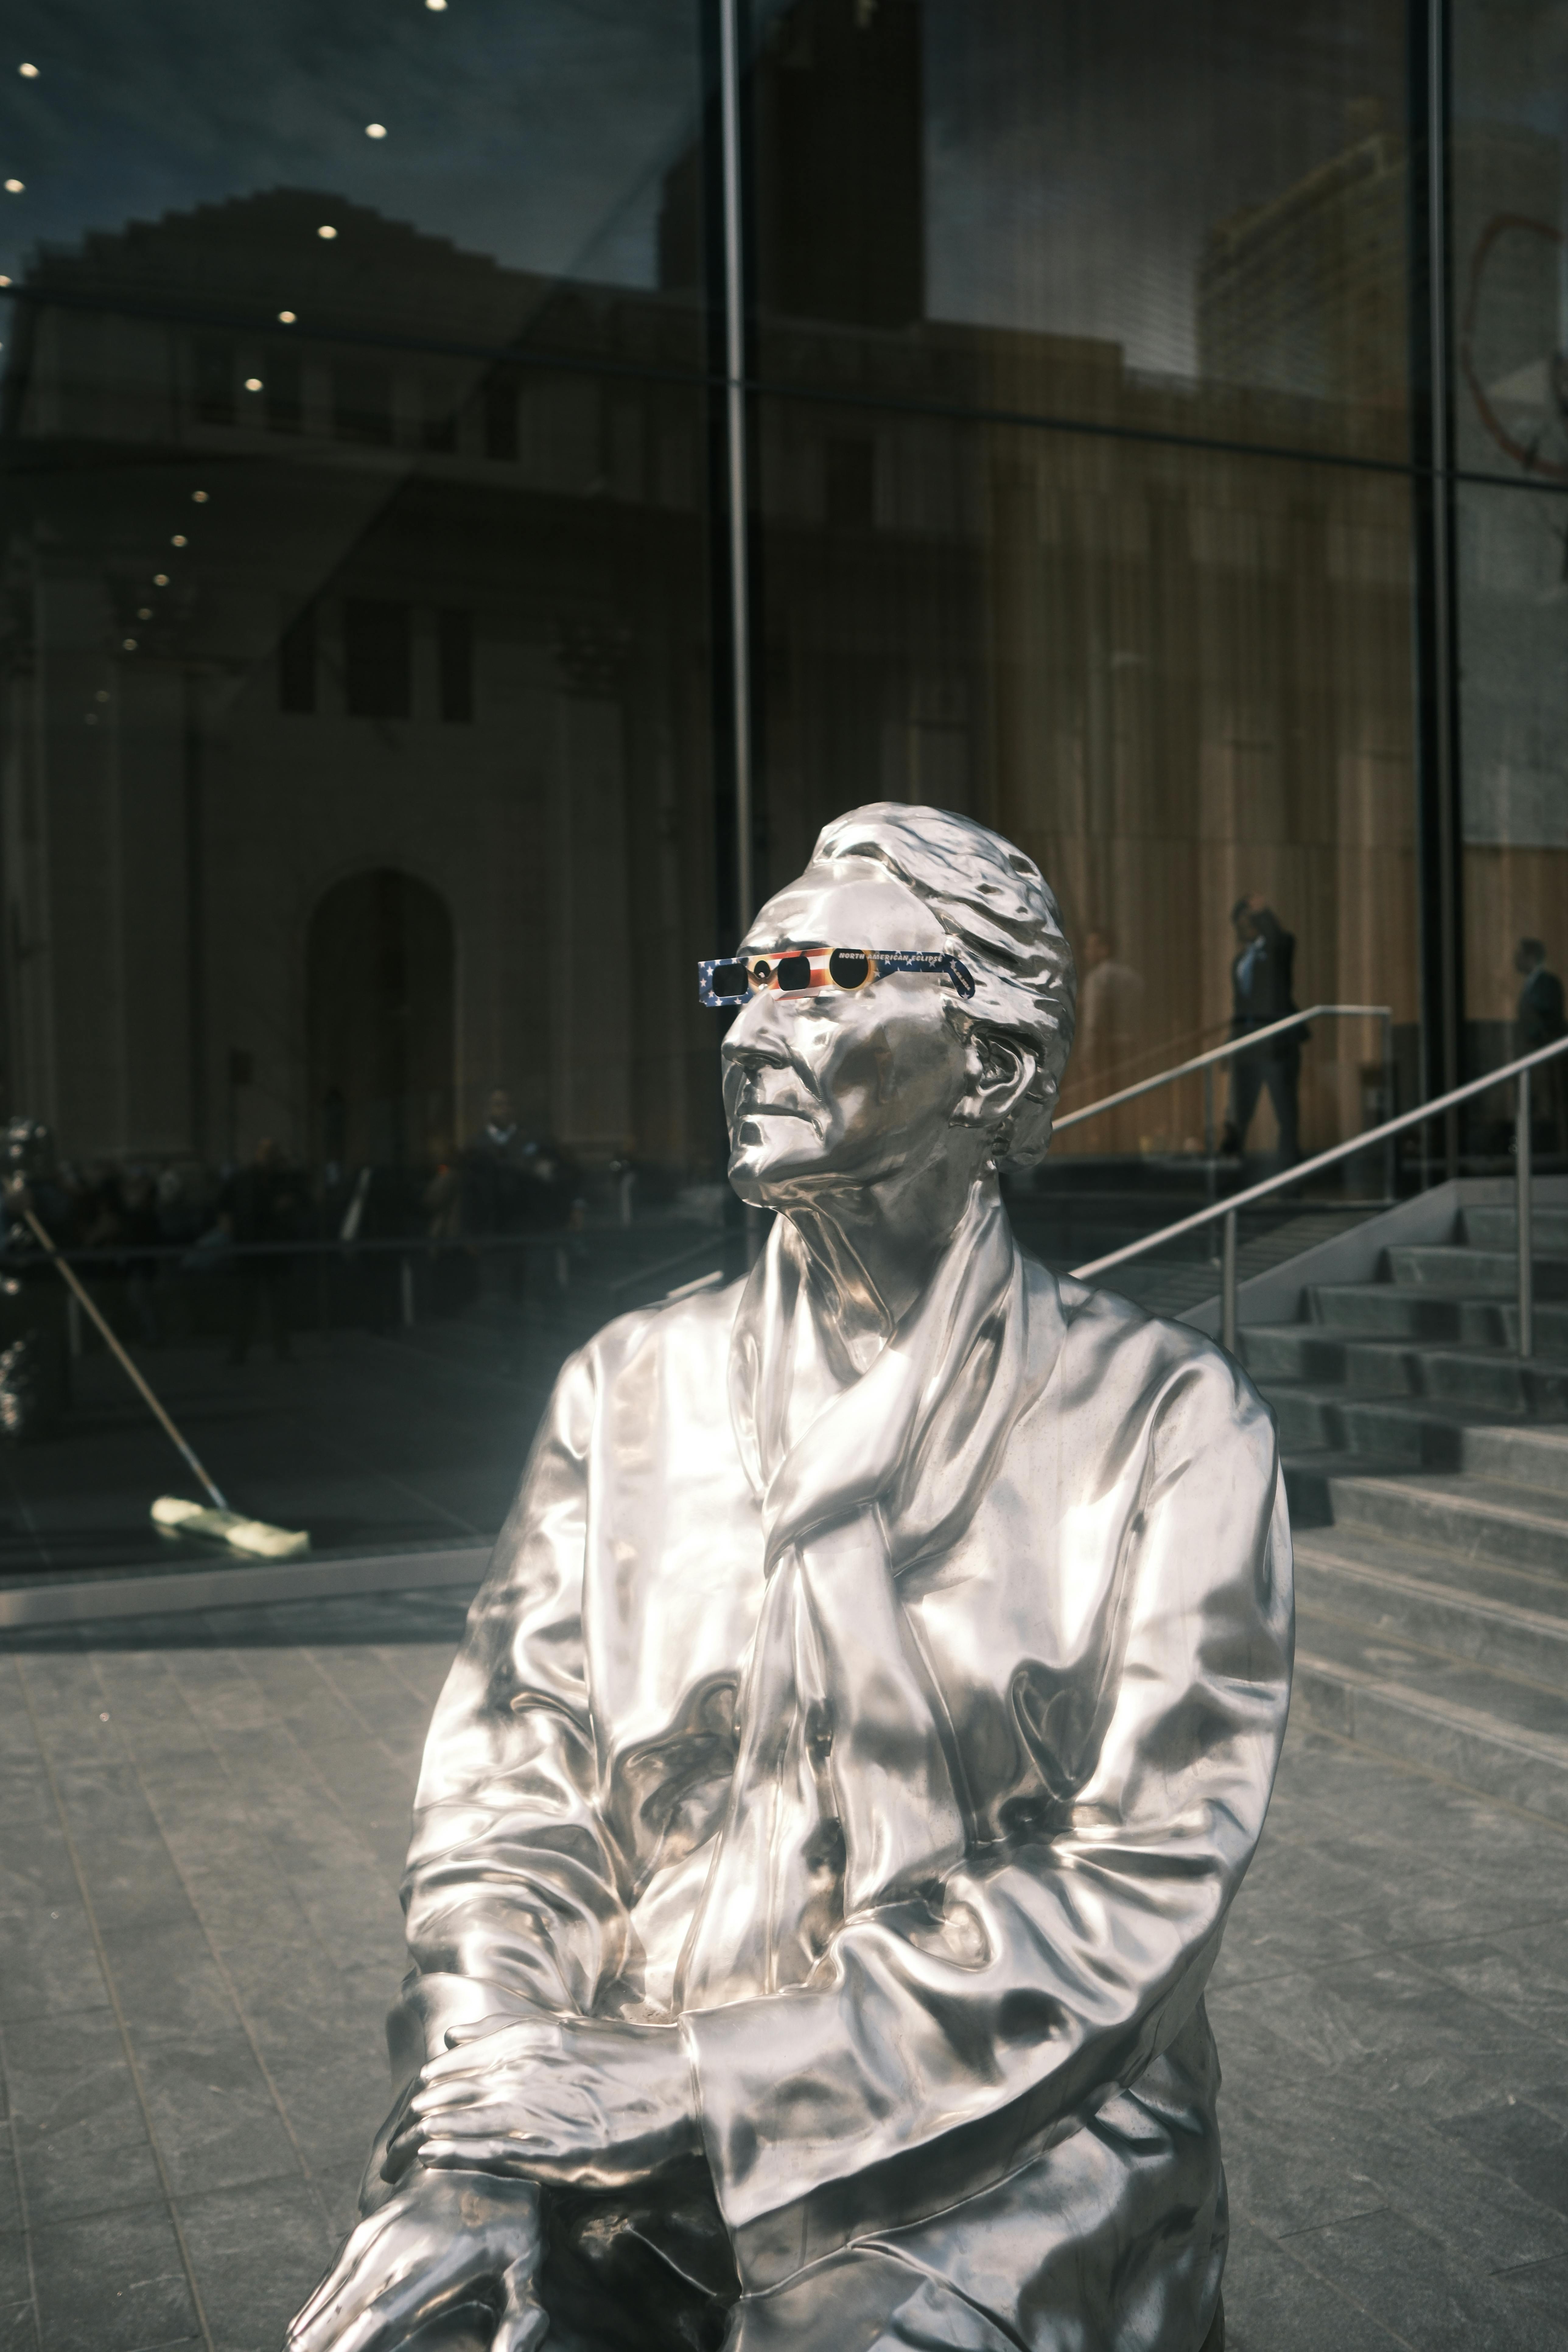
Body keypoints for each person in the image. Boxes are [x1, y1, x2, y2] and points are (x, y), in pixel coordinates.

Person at [289, 805, 1291, 2352]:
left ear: (990, 1066)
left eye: (820, 982)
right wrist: (478, 2131)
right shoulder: (628, 1390)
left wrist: (704, 2084)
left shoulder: (1167, 1423)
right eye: (743, 980)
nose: (751, 1032)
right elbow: (510, 1797)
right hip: (606, 2083)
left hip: (1007, 2126)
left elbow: (1134, 1885)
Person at [1221, 892, 1304, 1162]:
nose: (1245, 926)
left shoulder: (1278, 948)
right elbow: (1240, 1007)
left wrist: (1263, 913)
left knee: (1285, 1110)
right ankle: (1234, 1168)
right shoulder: (1240, 961)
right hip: (1247, 1045)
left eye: (1250, 920)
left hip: (1277, 1045)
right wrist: (1230, 1044)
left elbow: (1279, 941)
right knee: (1240, 1109)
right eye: (1241, 922)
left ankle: (1289, 1169)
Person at [219, 1136, 300, 1363]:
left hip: (274, 1250)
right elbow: (225, 1206)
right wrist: (229, 1229)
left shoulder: (283, 1180)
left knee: (278, 1304)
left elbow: (299, 1203)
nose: (268, 1157)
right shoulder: (243, 1179)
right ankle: (239, 1352)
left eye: (272, 1153)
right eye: (265, 1152)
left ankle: (281, 1350)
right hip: (249, 1248)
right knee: (246, 1304)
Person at [1517, 937, 1567, 1153]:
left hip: (1547, 1057)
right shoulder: (1531, 985)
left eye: (1521, 955)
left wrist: (1538, 1038)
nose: (1517, 960)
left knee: (1552, 1104)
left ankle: (1557, 1149)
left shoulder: (1547, 984)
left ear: (1531, 957)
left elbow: (1550, 1017)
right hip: (1534, 1057)